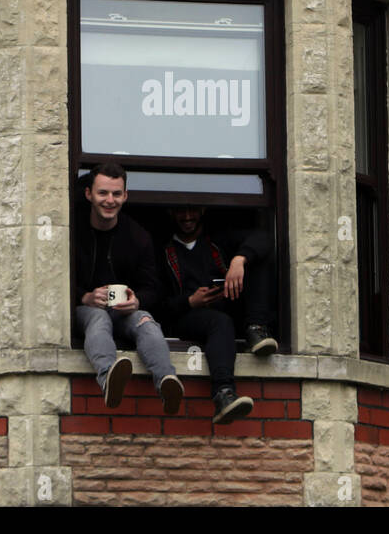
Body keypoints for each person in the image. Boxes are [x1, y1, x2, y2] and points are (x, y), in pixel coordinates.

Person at [72, 163, 184, 413]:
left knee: (145, 321)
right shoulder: (71, 230)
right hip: (85, 309)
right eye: (103, 193)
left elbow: (153, 288)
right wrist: (85, 296)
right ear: (89, 194)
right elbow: (54, 282)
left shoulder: (138, 236)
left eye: (116, 194)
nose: (109, 200)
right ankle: (107, 377)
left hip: (123, 311)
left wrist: (137, 301)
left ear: (125, 196)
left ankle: (167, 381)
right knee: (98, 318)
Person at [158, 205, 278, 424]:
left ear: (202, 210)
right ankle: (223, 394)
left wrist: (239, 259)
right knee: (220, 322)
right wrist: (190, 301)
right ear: (171, 212)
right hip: (187, 318)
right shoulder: (163, 252)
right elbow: (157, 304)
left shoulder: (219, 240)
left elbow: (264, 239)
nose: (187, 216)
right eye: (180, 211)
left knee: (257, 260)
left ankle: (257, 329)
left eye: (192, 210)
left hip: (230, 308)